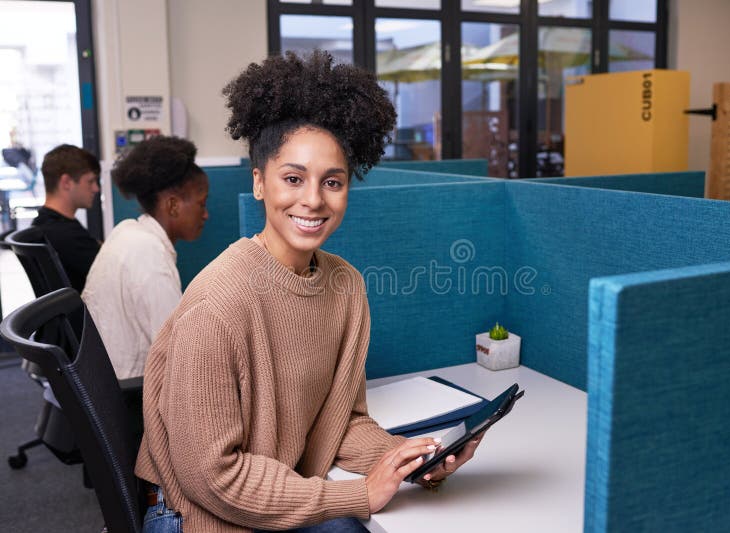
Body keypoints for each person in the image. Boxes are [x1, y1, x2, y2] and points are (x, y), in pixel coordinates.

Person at [135, 51, 486, 533]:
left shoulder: (345, 285)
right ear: (259, 183)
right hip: (193, 513)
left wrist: (407, 460)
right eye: (293, 178)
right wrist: (358, 494)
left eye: (333, 182)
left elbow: (339, 422)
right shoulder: (218, 304)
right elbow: (211, 477)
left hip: (271, 487)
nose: (314, 200)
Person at [82, 136, 208, 379]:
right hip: (132, 396)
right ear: (173, 206)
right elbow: (181, 357)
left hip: (105, 384)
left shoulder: (126, 231)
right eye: (201, 204)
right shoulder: (151, 258)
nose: (205, 215)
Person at [30, 144, 101, 292]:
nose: (96, 188)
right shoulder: (65, 235)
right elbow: (112, 271)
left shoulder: (44, 224)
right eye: (90, 181)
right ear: (66, 182)